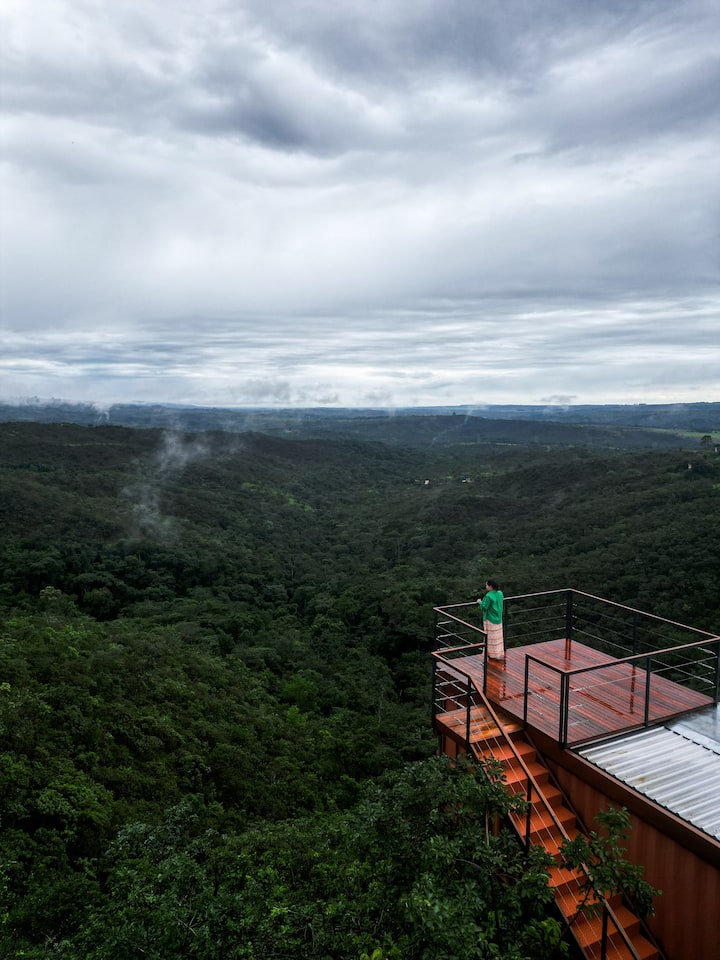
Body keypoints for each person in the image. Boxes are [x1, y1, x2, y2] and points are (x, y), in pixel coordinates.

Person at [478, 579, 504, 660]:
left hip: (490, 618)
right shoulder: (500, 593)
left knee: (490, 637)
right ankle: (498, 653)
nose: (486, 587)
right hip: (498, 618)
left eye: (486, 585)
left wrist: (479, 602)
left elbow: (484, 607)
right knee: (498, 637)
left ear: (490, 586)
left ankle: (491, 654)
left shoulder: (488, 596)